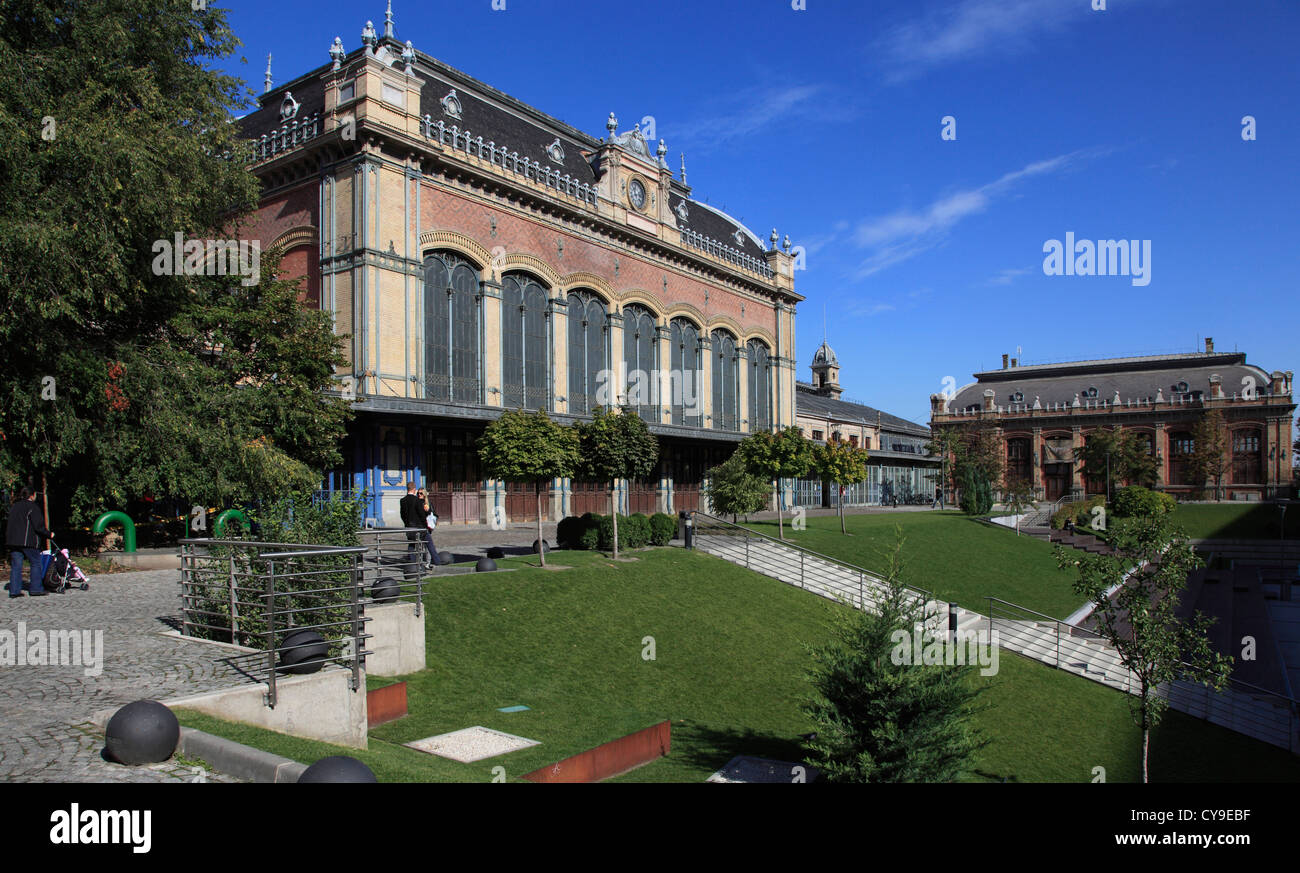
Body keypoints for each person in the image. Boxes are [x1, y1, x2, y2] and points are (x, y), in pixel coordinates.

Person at [7, 487, 52, 598]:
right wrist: (48, 534)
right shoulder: (32, 507)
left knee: (16, 565)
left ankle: (14, 591)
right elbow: (38, 526)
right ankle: (36, 588)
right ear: (32, 495)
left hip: (13, 541)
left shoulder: (14, 506)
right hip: (28, 541)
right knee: (36, 563)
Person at [398, 481, 425, 568]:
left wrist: (406, 522)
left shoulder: (402, 500)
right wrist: (424, 524)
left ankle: (412, 561)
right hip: (417, 526)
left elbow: (402, 514)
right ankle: (419, 563)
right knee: (420, 545)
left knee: (411, 544)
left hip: (408, 525)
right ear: (414, 489)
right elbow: (421, 514)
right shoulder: (417, 500)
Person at [417, 488, 438, 568]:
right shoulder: (417, 502)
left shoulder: (428, 503)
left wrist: (428, 511)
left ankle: (427, 562)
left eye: (421, 493)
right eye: (418, 493)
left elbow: (432, 514)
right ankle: (421, 562)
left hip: (426, 527)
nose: (419, 495)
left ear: (424, 494)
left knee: (427, 545)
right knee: (420, 545)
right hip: (419, 526)